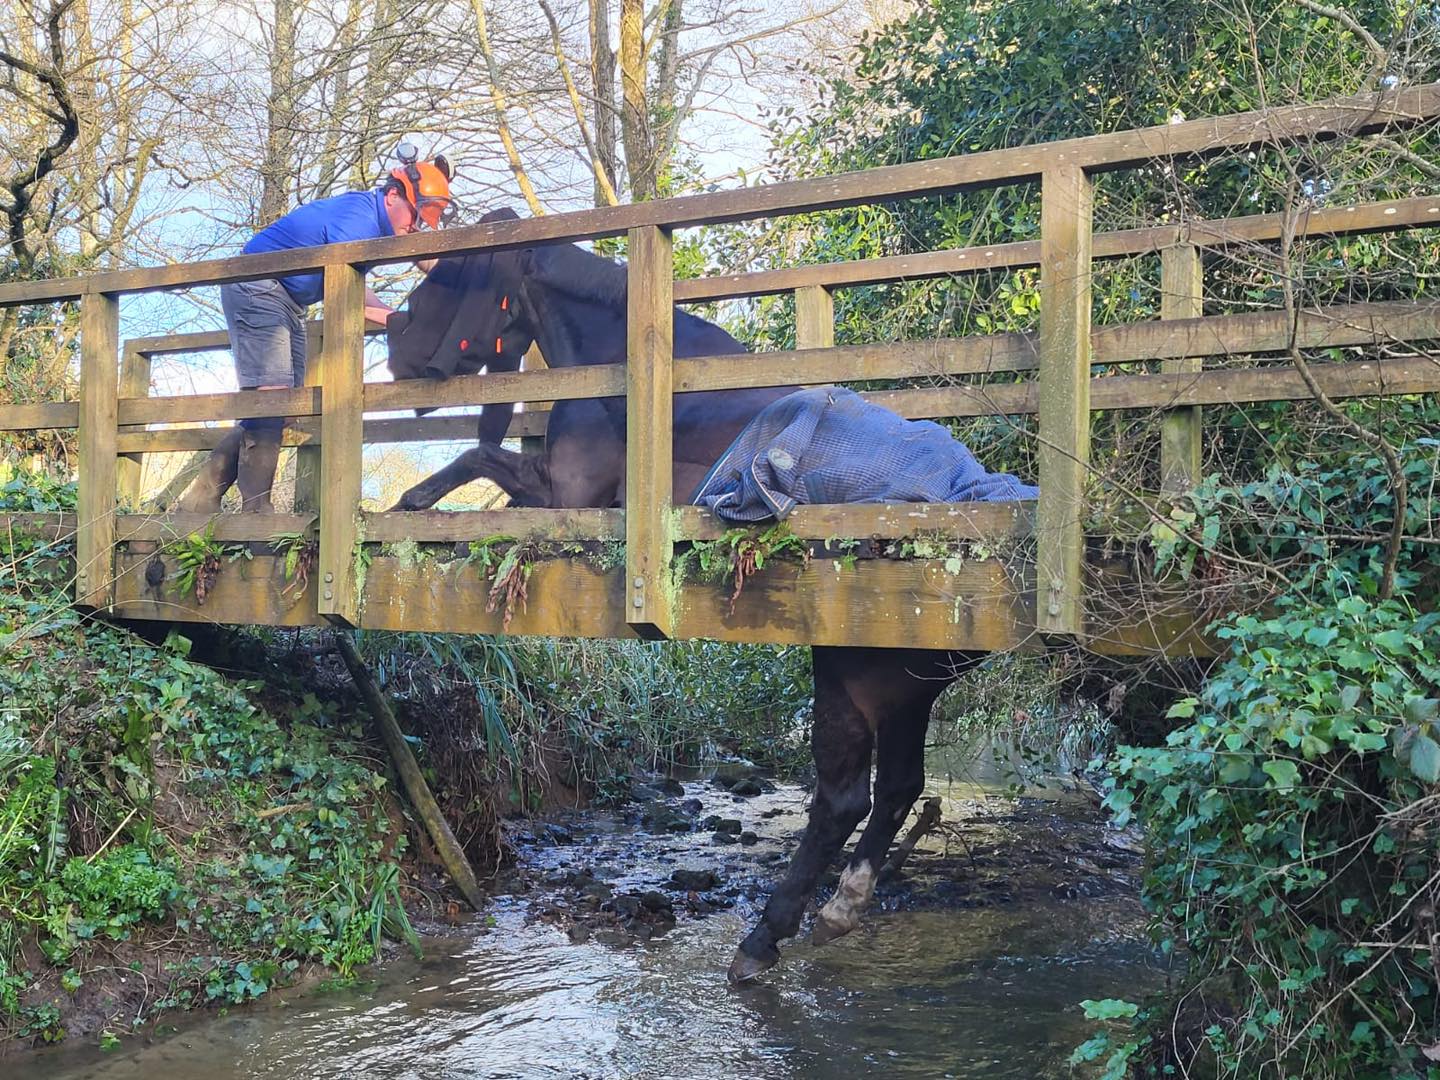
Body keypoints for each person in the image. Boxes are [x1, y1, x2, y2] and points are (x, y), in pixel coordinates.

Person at [177, 149, 455, 513]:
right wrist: (396, 320)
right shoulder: (359, 221)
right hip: (258, 286)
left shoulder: (375, 221)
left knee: (286, 407)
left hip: (287, 299)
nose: (416, 226)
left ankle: (198, 501)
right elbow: (343, 289)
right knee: (273, 398)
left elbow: (365, 275)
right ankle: (256, 516)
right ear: (392, 196)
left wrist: (440, 284)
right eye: (415, 215)